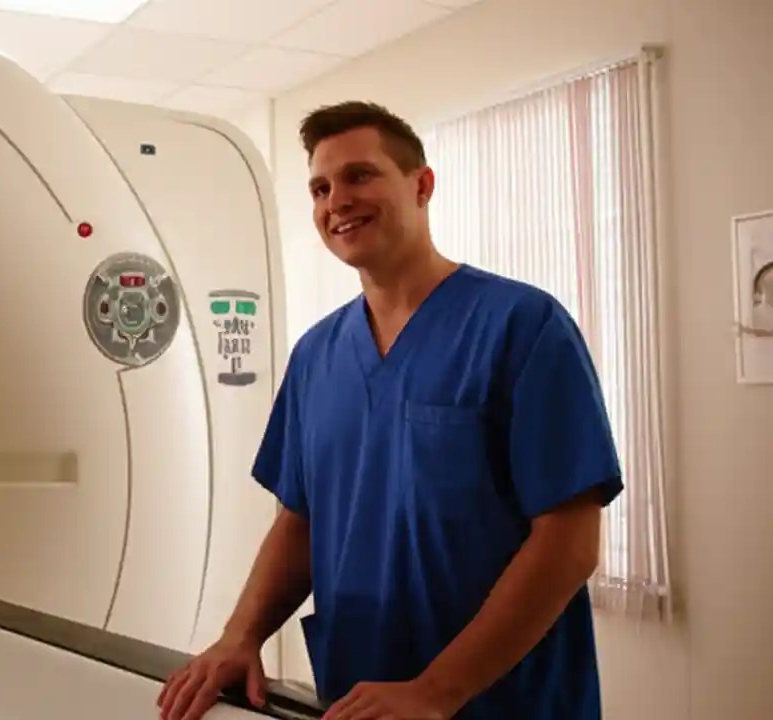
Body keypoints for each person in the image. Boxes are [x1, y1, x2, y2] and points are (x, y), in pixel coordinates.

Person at [156, 101, 623, 720]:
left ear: (422, 185)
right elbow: (299, 521)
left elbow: (568, 543)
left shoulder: (522, 327)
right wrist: (241, 634)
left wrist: (437, 690)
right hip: (359, 698)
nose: (336, 201)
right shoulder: (317, 355)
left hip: (502, 703)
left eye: (359, 176)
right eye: (321, 188)